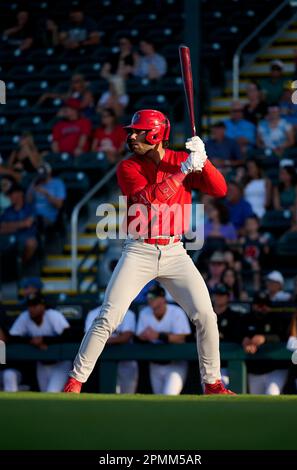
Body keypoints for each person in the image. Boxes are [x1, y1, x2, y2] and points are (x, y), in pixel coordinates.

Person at [64, 108, 235, 394]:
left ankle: (213, 382)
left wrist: (204, 162)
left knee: (205, 315)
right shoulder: (128, 166)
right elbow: (149, 200)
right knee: (109, 316)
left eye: (137, 131)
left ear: (156, 134)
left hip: (176, 250)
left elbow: (220, 190)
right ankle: (75, 381)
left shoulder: (183, 159)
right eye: (131, 131)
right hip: (140, 249)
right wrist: (183, 172)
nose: (131, 136)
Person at [6, 293, 71, 392]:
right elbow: (12, 337)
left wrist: (45, 340)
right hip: (42, 365)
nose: (31, 309)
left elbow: (69, 335)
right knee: (44, 397)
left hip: (60, 363)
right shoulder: (25, 317)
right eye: (30, 306)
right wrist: (31, 341)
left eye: (35, 305)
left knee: (52, 392)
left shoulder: (52, 315)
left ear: (43, 306)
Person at [136, 284, 191, 395]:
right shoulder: (145, 312)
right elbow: (139, 335)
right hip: (155, 364)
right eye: (149, 297)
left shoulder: (176, 312)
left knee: (170, 395)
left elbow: (181, 337)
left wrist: (158, 336)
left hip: (175, 363)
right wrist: (147, 335)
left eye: (153, 297)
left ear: (162, 299)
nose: (150, 299)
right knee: (159, 399)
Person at [242, 293, 289, 395]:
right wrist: (244, 339)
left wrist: (265, 338)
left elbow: (283, 336)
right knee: (257, 403)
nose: (261, 308)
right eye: (258, 305)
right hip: (255, 370)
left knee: (272, 394)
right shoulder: (246, 318)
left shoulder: (276, 319)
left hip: (275, 368)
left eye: (264, 305)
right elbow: (235, 334)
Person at [85, 307, 138, 394]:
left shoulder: (128, 313)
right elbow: (89, 337)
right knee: (108, 394)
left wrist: (103, 340)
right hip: (103, 360)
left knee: (128, 395)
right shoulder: (94, 313)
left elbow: (126, 336)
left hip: (126, 360)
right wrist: (114, 339)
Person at [212, 283, 241, 387]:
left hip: (228, 364)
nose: (218, 297)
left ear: (228, 297)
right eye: (216, 294)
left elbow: (236, 338)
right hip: (208, 365)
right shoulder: (207, 316)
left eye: (222, 295)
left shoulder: (234, 316)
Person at [0, 184, 37, 263]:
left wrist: (9, 226)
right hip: (8, 239)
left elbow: (27, 223)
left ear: (20, 193)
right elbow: (1, 228)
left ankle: (23, 266)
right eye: (8, 195)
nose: (9, 197)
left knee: (31, 243)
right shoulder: (7, 211)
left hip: (25, 237)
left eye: (11, 194)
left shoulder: (30, 208)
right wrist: (20, 224)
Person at [27, 163, 66, 228]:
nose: (42, 177)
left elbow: (59, 205)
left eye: (44, 175)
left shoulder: (58, 183)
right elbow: (28, 201)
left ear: (49, 172)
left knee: (36, 221)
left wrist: (46, 194)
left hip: (48, 216)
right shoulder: (36, 183)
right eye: (40, 175)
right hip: (32, 216)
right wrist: (33, 187)